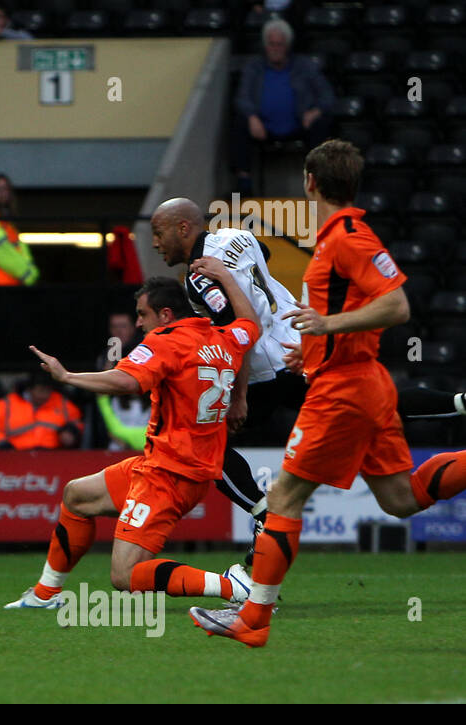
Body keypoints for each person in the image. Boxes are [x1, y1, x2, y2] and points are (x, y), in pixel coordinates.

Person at [191, 140, 466, 647]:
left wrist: (325, 323)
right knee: (401, 499)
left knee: (283, 498)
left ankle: (253, 619)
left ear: (309, 181)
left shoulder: (347, 238)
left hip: (343, 391)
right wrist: (311, 350)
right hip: (358, 379)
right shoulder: (340, 235)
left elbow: (397, 306)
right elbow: (355, 311)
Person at [5, 269, 260, 610]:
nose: (139, 324)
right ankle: (45, 594)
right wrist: (227, 278)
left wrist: (67, 376)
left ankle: (231, 586)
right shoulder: (223, 336)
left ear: (166, 315)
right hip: (167, 466)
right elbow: (251, 324)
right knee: (77, 495)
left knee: (124, 576)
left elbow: (126, 382)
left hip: (169, 475)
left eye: (143, 314)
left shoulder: (166, 340)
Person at [149, 196, 306, 565]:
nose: (155, 242)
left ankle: (264, 515)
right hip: (299, 346)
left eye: (158, 233)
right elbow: (262, 254)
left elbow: (241, 331)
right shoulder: (238, 234)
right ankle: (454, 402)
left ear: (183, 228)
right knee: (370, 410)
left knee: (207, 446)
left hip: (268, 370)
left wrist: (238, 398)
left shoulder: (200, 277)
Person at [231, 18, 334, 195]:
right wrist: (252, 117)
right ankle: (244, 181)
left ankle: (318, 184)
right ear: (265, 46)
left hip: (299, 124)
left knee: (322, 124)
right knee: (240, 122)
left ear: (287, 46)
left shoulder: (304, 66)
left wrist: (315, 111)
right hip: (263, 127)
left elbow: (328, 96)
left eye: (280, 44)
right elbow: (242, 98)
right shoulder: (254, 68)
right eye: (272, 44)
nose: (276, 49)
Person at [0, 369, 82, 451]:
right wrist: (1, 445)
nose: (45, 395)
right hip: (15, 458)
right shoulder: (4, 406)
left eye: (48, 390)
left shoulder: (63, 403)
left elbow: (77, 424)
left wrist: (71, 432)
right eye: (41, 390)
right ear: (29, 389)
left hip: (52, 457)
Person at [94, 312, 148, 452]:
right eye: (114, 326)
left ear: (133, 327)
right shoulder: (111, 352)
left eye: (123, 326)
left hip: (145, 411)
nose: (118, 331)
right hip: (118, 415)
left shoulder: (144, 348)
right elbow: (102, 392)